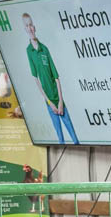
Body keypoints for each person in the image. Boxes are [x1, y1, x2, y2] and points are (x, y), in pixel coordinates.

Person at [23, 12, 78, 145]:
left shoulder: (45, 49)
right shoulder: (29, 51)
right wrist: (49, 102)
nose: (30, 28)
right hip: (50, 103)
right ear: (25, 29)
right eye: (27, 26)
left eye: (31, 25)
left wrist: (60, 101)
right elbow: (36, 80)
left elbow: (56, 77)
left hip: (58, 100)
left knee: (74, 137)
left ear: (34, 27)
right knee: (60, 138)